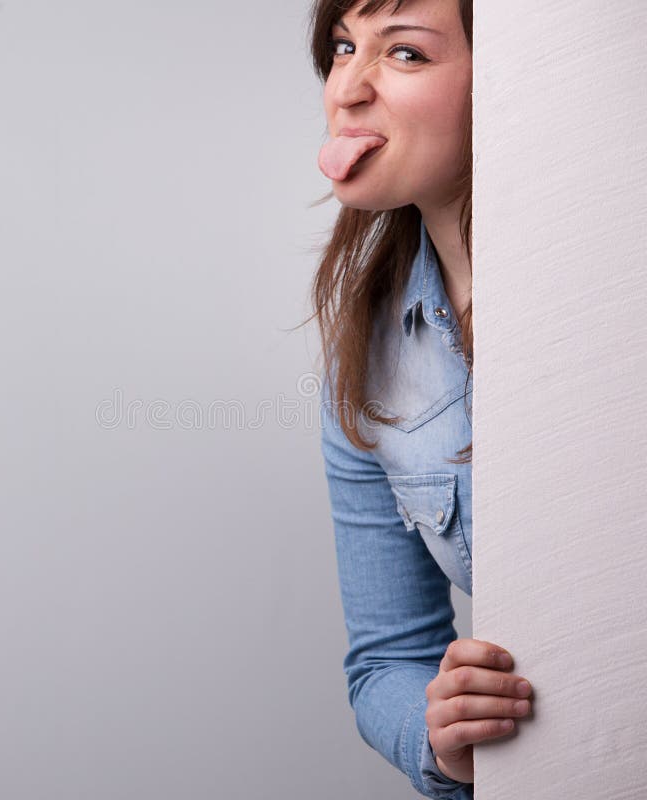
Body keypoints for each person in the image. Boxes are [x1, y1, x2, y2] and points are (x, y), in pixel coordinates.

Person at [304, 0, 534, 797]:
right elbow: (386, 662)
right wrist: (439, 734)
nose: (347, 89)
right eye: (343, 47)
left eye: (404, 54)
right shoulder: (366, 368)